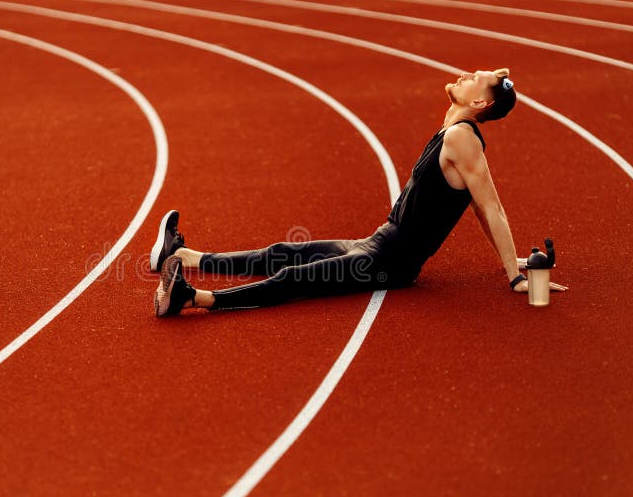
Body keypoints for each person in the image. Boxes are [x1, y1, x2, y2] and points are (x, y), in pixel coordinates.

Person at [150, 68, 567, 317]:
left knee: (295, 278)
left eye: (472, 78)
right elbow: (479, 202)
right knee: (283, 252)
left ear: (478, 102)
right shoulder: (453, 128)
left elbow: (490, 206)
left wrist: (514, 275)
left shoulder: (464, 140)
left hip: (390, 263)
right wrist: (495, 82)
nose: (463, 75)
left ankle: (193, 299)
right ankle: (184, 257)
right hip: (376, 241)